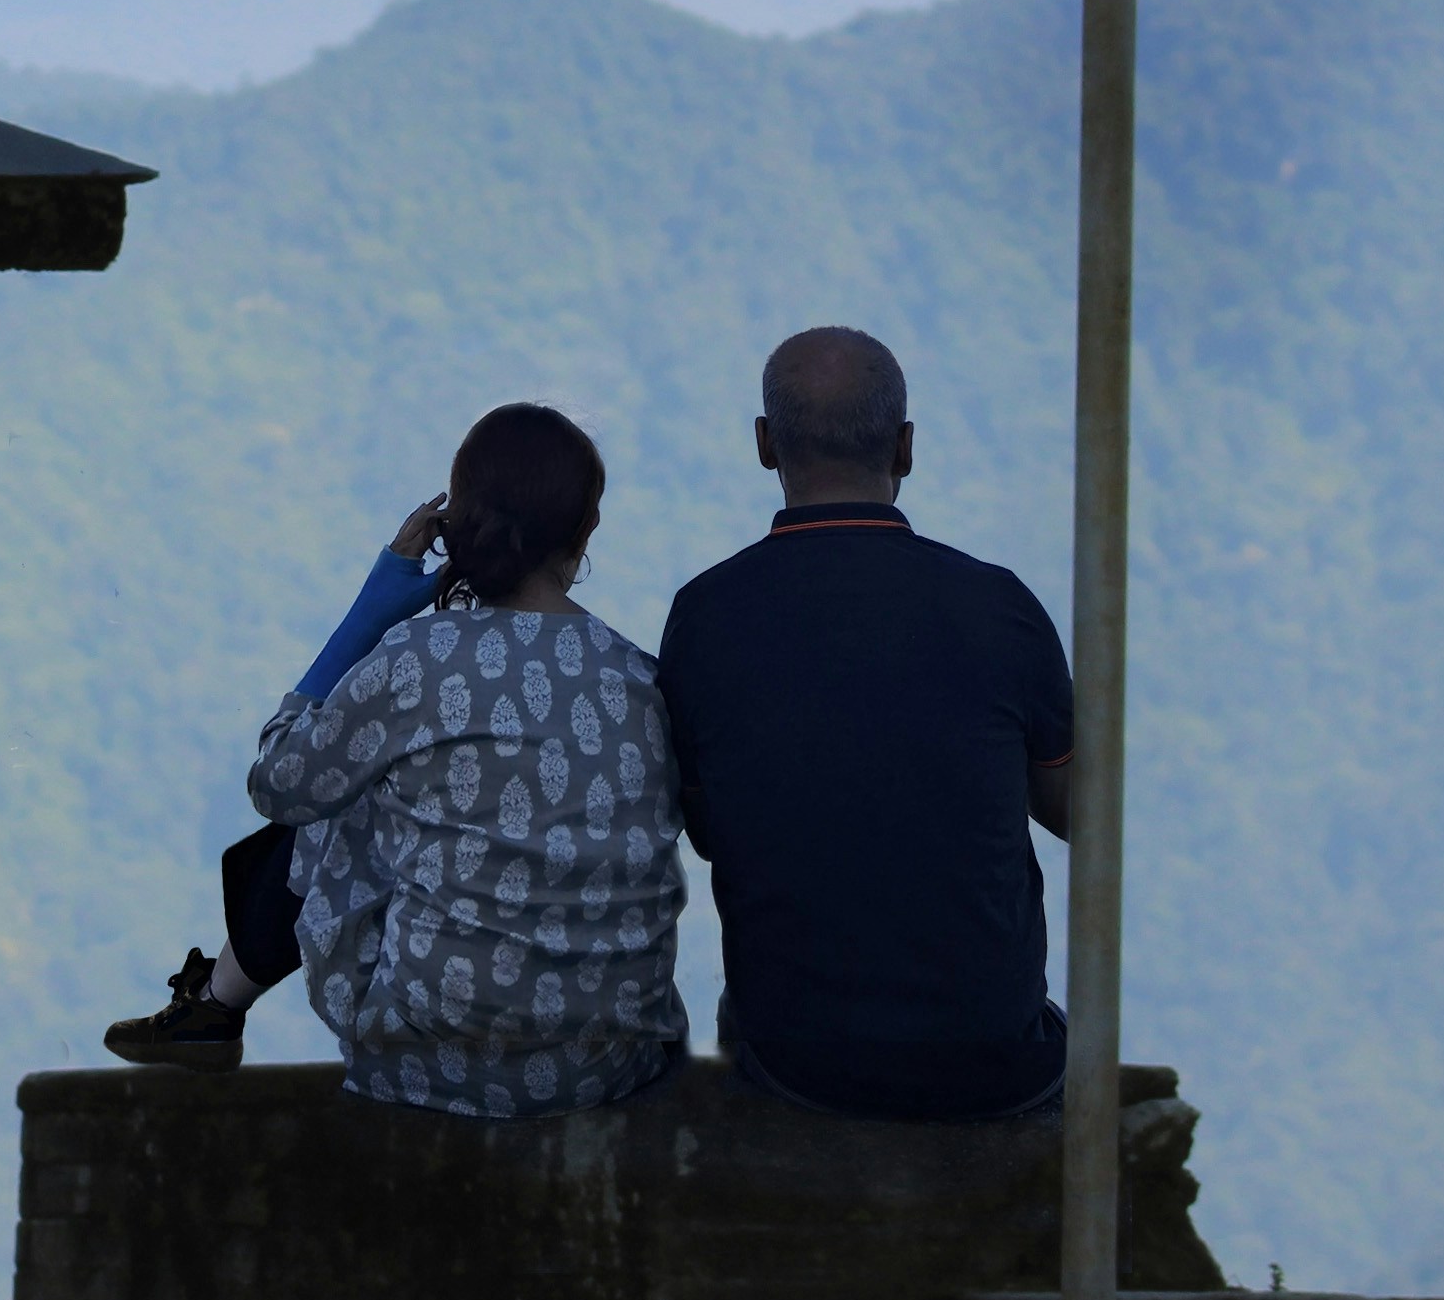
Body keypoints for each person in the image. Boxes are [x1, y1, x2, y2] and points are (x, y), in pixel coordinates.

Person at [100, 402, 688, 1116]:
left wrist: (370, 613)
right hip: (613, 1061)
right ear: (586, 529)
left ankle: (213, 1008)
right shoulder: (642, 678)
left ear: (456, 523)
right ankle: (212, 1012)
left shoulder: (418, 662)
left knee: (345, 787)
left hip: (439, 1060)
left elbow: (281, 783)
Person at [654, 324, 1075, 1122]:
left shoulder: (706, 616)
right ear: (906, 447)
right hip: (991, 1059)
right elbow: (1075, 812)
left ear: (765, 445)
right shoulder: (1000, 606)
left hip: (798, 1061)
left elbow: (713, 828)